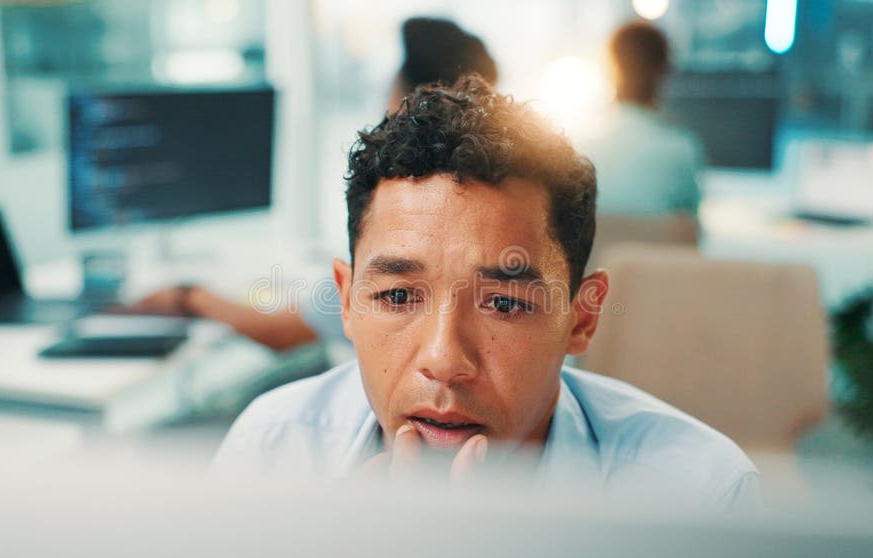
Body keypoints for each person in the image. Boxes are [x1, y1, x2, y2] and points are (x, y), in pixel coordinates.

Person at [214, 76, 758, 508]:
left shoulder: (698, 496)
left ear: (581, 319)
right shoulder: (274, 450)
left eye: (503, 303)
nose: (444, 361)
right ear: (348, 300)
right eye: (398, 297)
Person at [133, 17, 498, 352]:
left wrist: (188, 296)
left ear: (406, 101)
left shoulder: (398, 225)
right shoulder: (490, 203)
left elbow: (277, 330)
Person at [582, 21, 702, 216]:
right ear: (663, 72)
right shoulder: (682, 150)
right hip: (661, 247)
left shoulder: (581, 147)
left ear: (610, 67)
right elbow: (690, 232)